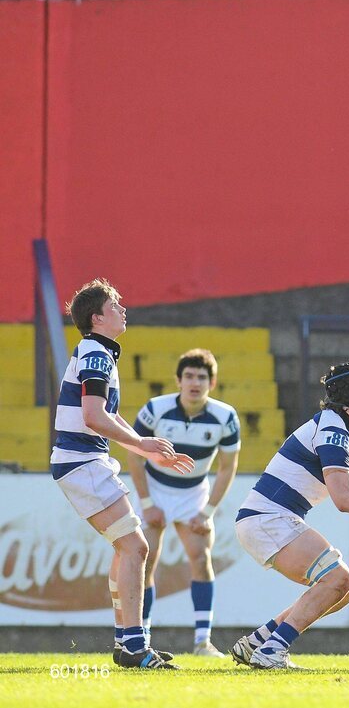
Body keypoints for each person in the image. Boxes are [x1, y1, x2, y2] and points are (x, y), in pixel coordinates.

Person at [232, 363, 349, 669]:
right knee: (338, 580)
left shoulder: (339, 428)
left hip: (264, 519)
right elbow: (344, 500)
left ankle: (260, 642)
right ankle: (272, 651)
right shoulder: (333, 431)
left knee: (344, 591)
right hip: (269, 519)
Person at [52, 278, 194, 670]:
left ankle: (127, 642)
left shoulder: (96, 352)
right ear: (97, 318)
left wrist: (144, 448)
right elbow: (94, 416)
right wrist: (146, 446)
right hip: (82, 461)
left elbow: (107, 416)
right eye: (115, 305)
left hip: (80, 461)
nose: (123, 309)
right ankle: (133, 645)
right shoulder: (97, 353)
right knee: (136, 547)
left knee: (128, 547)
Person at [128, 348, 240, 656]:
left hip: (193, 493)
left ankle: (202, 643)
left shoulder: (226, 417)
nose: (195, 382)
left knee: (201, 559)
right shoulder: (155, 409)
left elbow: (227, 468)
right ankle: (142, 641)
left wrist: (207, 512)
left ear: (212, 383)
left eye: (201, 377)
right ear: (178, 381)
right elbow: (134, 458)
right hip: (155, 489)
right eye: (189, 376)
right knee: (144, 561)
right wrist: (148, 502)